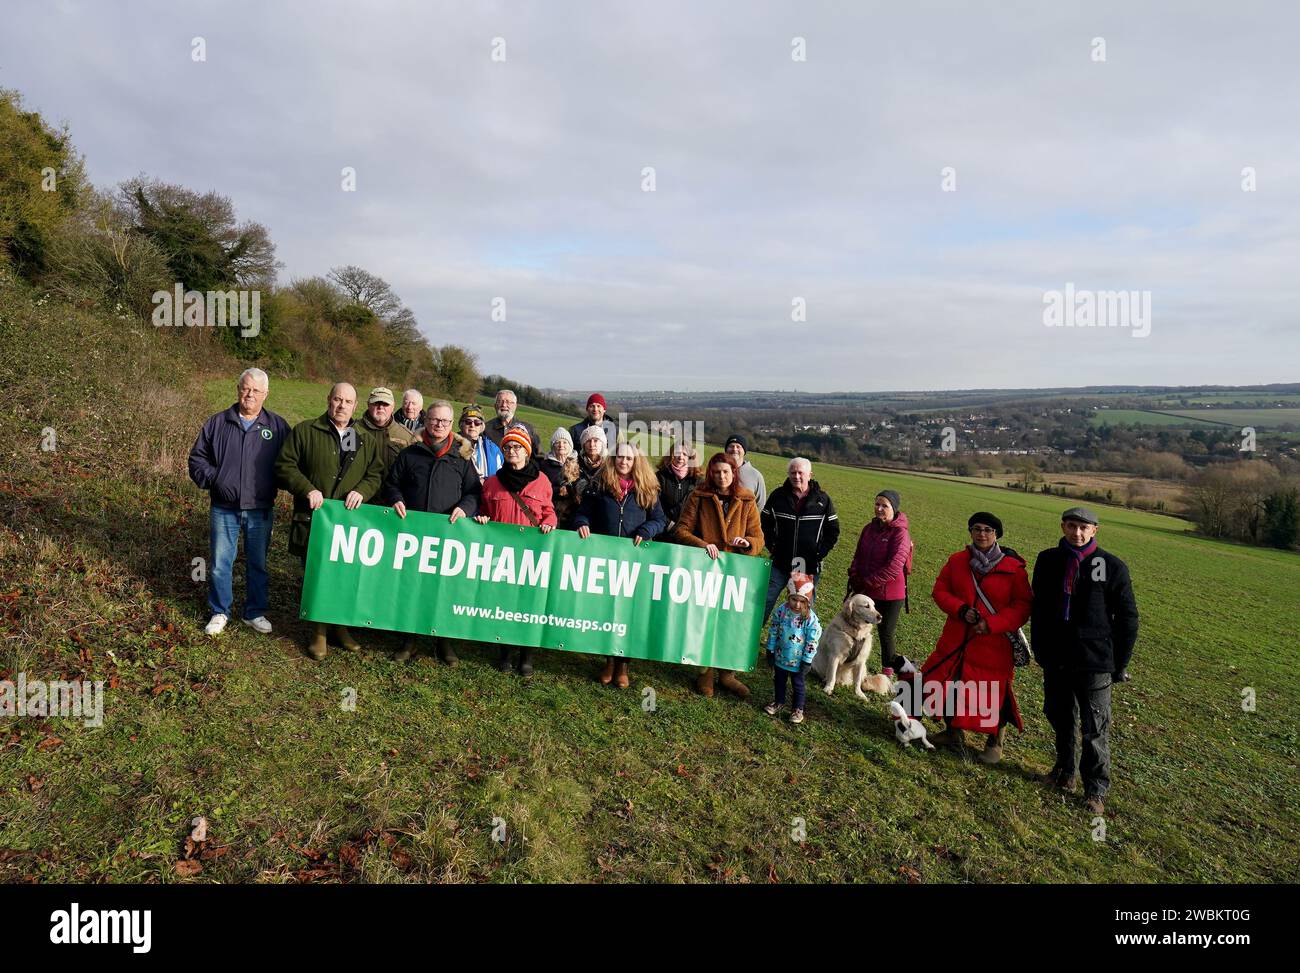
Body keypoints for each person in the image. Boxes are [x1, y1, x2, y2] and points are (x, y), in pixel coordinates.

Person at [1031, 507, 1139, 816]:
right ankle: (1065, 773)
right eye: (1071, 525)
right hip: (1056, 657)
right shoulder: (1048, 560)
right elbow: (1038, 608)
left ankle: (1095, 790)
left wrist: (1120, 663)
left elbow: (1128, 619)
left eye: (1084, 527)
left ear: (1095, 531)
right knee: (1059, 716)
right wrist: (1040, 648)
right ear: (1063, 526)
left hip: (1095, 661)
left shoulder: (1111, 566)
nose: (1077, 533)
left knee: (1095, 729)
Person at [275, 382, 385, 660]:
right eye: (337, 399)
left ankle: (340, 628)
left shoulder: (362, 438)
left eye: (348, 401)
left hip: (348, 525)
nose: (342, 406)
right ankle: (319, 633)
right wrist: (307, 488)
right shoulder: (306, 431)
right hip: (315, 520)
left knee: (345, 577)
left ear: (355, 406)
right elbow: (285, 465)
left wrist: (362, 491)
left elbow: (375, 473)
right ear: (328, 400)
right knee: (318, 576)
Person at [921, 512, 1032, 765]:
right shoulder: (957, 561)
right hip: (957, 636)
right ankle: (953, 732)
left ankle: (995, 742)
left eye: (988, 530)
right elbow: (940, 590)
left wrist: (991, 623)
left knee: (994, 692)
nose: (982, 534)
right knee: (952, 682)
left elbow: (1023, 606)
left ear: (997, 535)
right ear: (970, 532)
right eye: (977, 529)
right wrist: (960, 609)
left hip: (993, 643)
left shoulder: (1014, 570)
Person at [187, 367, 290, 637]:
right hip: (224, 508)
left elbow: (290, 464)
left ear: (266, 394)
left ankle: (254, 613)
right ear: (238, 389)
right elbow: (197, 460)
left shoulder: (278, 427)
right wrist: (217, 478)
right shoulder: (217, 423)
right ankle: (220, 611)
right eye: (246, 388)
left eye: (256, 390)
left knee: (258, 563)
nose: (250, 394)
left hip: (260, 509)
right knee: (222, 562)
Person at [382, 400, 481, 664]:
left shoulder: (461, 458)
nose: (439, 425)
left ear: (452, 426)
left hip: (447, 536)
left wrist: (465, 507)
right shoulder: (409, 454)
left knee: (444, 589)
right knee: (411, 587)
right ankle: (409, 640)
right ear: (426, 421)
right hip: (412, 537)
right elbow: (392, 484)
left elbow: (474, 492)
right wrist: (396, 499)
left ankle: (443, 641)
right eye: (435, 420)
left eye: (445, 422)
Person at [572, 441, 667, 688]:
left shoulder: (647, 488)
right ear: (613, 459)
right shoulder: (600, 485)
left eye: (629, 458)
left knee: (629, 614)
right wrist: (582, 522)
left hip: (635, 561)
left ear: (636, 462)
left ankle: (624, 664)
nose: (624, 462)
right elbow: (583, 512)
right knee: (609, 611)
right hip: (606, 559)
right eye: (620, 457)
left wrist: (647, 529)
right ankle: (609, 662)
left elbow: (660, 520)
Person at [673, 452, 763, 699]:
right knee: (706, 620)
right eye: (716, 472)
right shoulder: (699, 496)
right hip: (706, 569)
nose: (721, 476)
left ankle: (727, 674)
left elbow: (758, 537)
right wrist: (702, 544)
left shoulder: (746, 499)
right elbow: (681, 530)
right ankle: (705, 673)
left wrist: (747, 543)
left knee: (730, 621)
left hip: (735, 571)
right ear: (710, 474)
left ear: (734, 473)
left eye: (726, 471)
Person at [475, 427, 558, 676]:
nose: (512, 451)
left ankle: (526, 655)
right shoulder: (492, 482)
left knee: (529, 605)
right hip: (502, 555)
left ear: (527, 452)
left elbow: (549, 511)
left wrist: (550, 522)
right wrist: (481, 518)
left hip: (531, 554)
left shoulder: (542, 481)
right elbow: (484, 510)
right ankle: (505, 653)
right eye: (508, 447)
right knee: (505, 603)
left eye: (517, 447)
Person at [759, 457, 840, 623]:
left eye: (800, 473)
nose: (796, 476)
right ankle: (750, 640)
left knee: (804, 606)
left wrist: (819, 553)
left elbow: (833, 530)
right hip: (780, 562)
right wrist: (772, 546)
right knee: (765, 600)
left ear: (810, 475)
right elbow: (764, 523)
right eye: (793, 472)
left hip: (807, 565)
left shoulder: (823, 500)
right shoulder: (777, 496)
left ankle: (801, 646)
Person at [847, 489, 912, 675]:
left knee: (885, 633)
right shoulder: (868, 529)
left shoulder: (900, 534)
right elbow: (858, 555)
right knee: (855, 626)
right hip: (866, 588)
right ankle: (849, 664)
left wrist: (866, 583)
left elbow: (893, 567)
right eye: (877, 504)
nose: (880, 509)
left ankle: (888, 673)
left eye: (885, 505)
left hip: (890, 594)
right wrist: (854, 574)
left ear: (894, 508)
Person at [763, 574, 822, 724]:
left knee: (798, 684)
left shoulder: (810, 619)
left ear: (807, 602)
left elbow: (812, 640)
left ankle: (797, 709)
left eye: (802, 601)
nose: (797, 604)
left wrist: (807, 660)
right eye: (794, 599)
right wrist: (770, 648)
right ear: (788, 596)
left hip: (799, 660)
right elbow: (774, 629)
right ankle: (779, 702)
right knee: (779, 680)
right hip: (781, 656)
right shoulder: (782, 611)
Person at [357, 387, 418, 484]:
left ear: (393, 407)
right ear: (368, 404)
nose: (380, 407)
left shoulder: (407, 437)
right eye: (376, 403)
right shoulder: (352, 431)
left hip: (391, 497)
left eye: (385, 404)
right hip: (356, 496)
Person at [656, 440, 703, 536]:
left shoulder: (699, 481)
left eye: (684, 454)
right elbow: (654, 505)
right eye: (677, 453)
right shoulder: (659, 477)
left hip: (688, 533)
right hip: (663, 531)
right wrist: (669, 525)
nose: (680, 457)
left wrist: (686, 529)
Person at [539, 427, 582, 527]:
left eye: (565, 442)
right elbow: (540, 489)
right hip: (551, 513)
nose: (561, 445)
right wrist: (558, 490)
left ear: (570, 445)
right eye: (557, 442)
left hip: (573, 514)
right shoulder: (544, 465)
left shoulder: (578, 464)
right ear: (553, 446)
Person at [484, 388, 540, 456]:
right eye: (500, 401)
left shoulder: (528, 429)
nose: (504, 405)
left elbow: (538, 455)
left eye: (508, 402)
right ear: (495, 406)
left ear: (515, 406)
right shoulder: (485, 429)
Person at [460, 403, 503, 483]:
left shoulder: (493, 450)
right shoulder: (452, 445)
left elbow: (500, 477)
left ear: (481, 426)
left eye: (477, 422)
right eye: (468, 422)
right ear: (461, 425)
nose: (472, 425)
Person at [724, 435, 768, 511]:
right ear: (726, 450)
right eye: (731, 446)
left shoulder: (756, 476)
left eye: (738, 447)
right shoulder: (717, 470)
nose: (734, 449)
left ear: (744, 451)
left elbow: (760, 505)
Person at [575, 424, 608, 504]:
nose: (592, 444)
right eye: (588, 441)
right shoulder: (575, 464)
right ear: (583, 445)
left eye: (596, 440)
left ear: (602, 444)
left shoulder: (610, 465)